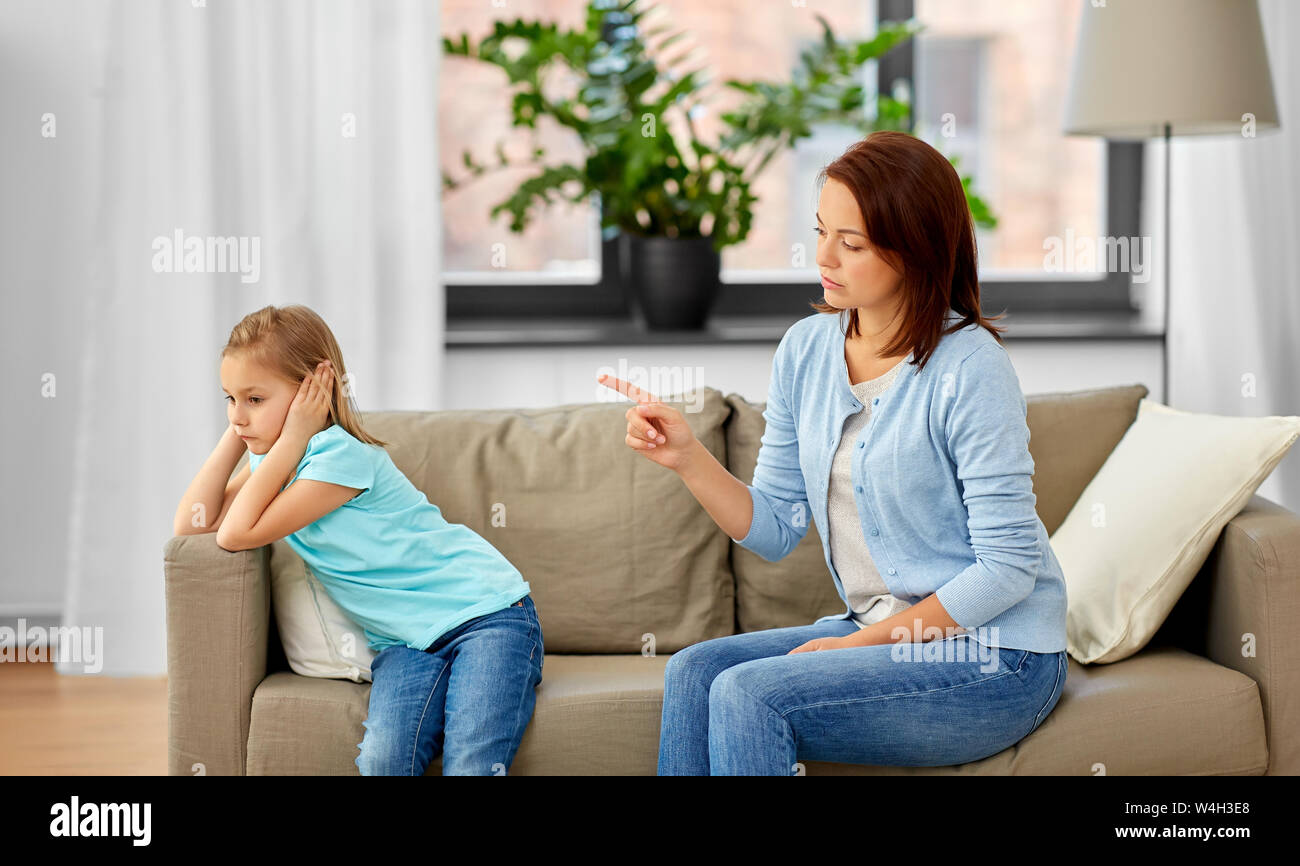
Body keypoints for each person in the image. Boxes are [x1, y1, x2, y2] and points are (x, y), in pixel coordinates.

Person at [598, 130, 1068, 776]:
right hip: (878, 636)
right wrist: (687, 457)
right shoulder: (806, 350)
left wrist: (860, 644)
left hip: (998, 654)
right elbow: (774, 529)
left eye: (852, 244)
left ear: (915, 250)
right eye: (822, 232)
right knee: (696, 670)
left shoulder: (971, 367)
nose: (824, 257)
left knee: (748, 693)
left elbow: (1009, 568)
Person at [173, 304, 542, 775]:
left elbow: (235, 534)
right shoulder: (273, 463)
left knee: (472, 762)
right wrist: (239, 432)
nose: (238, 416)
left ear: (314, 389)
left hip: (484, 616)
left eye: (255, 399)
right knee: (384, 762)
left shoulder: (338, 458)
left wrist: (290, 437)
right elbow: (194, 523)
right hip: (405, 643)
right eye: (229, 397)